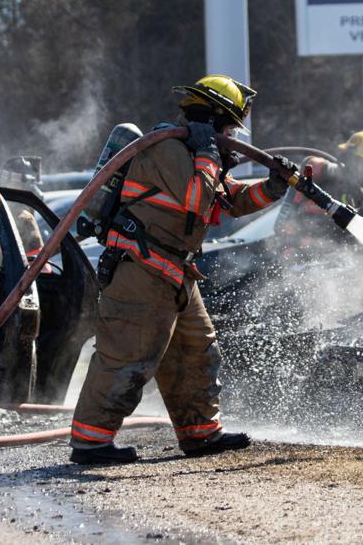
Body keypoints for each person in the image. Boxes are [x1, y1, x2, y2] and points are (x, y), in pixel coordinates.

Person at [68, 75, 294, 465]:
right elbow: (196, 198)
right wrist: (207, 152)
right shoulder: (168, 149)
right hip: (142, 270)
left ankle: (200, 433)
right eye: (229, 127)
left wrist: (273, 187)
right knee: (128, 355)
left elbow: (226, 203)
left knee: (196, 351)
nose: (231, 135)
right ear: (213, 120)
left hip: (175, 274)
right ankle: (91, 442)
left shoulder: (196, 156)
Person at [274, 130, 363, 247]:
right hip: (298, 244)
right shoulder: (326, 171)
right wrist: (336, 171)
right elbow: (309, 165)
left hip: (330, 250)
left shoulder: (359, 191)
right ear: (351, 157)